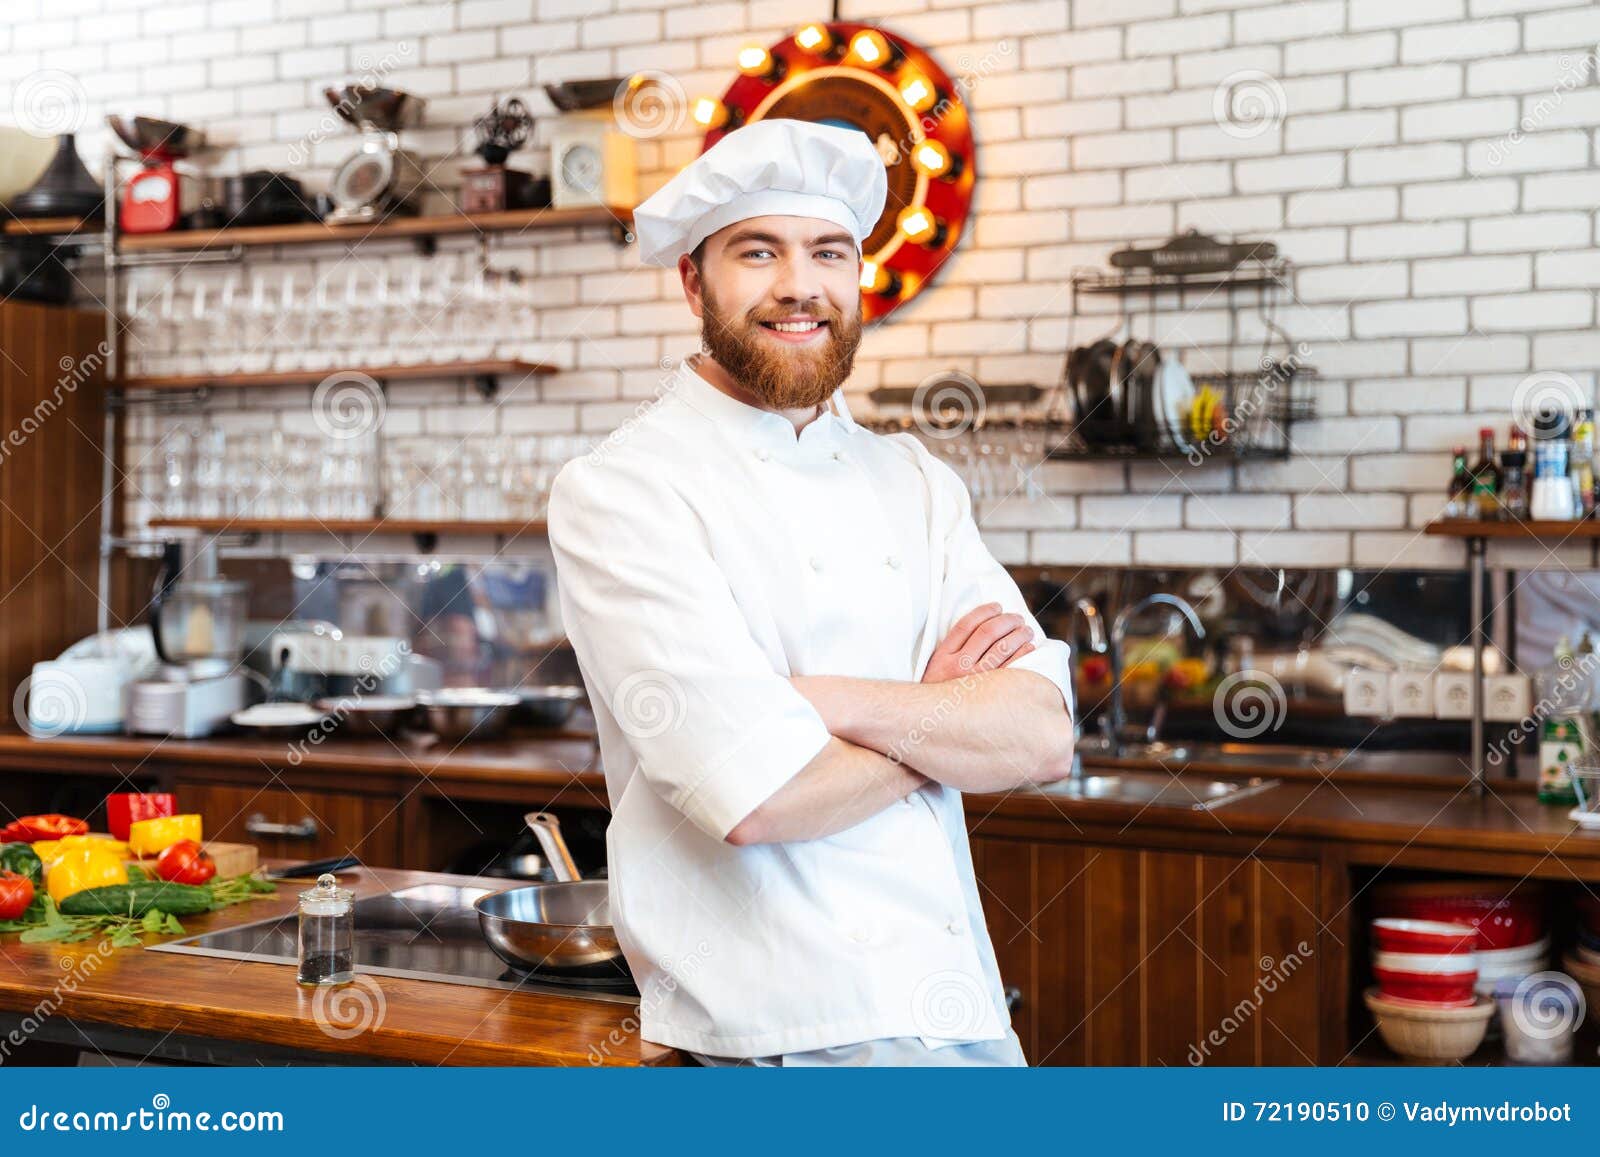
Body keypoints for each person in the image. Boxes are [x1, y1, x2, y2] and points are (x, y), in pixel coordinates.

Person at [547, 118, 1076, 1067]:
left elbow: (1040, 735)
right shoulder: (623, 488)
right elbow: (756, 794)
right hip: (768, 1042)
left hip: (964, 1023)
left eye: (829, 251)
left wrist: (820, 703)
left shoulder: (914, 481)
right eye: (759, 251)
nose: (801, 284)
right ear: (692, 281)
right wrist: (940, 726)